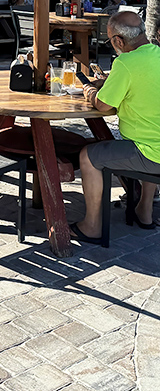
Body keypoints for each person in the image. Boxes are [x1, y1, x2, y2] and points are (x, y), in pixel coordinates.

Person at [72, 12, 160, 243]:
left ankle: (92, 226)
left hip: (150, 154)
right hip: (156, 145)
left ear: (119, 42)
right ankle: (145, 211)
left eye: (111, 40)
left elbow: (102, 105)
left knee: (88, 156)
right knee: (150, 138)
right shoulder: (156, 53)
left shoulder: (125, 63)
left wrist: (90, 92)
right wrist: (109, 80)